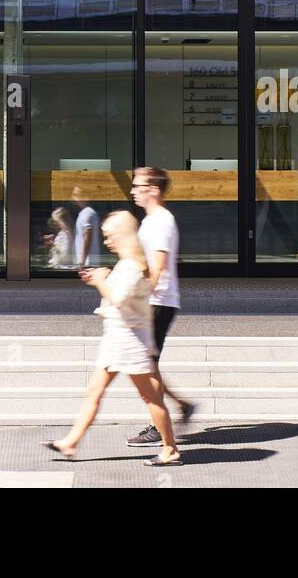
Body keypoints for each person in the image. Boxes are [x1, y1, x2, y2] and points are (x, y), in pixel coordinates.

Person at [44, 211, 181, 466]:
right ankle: (70, 442)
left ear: (123, 235)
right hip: (117, 339)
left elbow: (118, 299)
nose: (107, 242)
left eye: (110, 236)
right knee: (94, 392)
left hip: (130, 342)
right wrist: (104, 277)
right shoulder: (127, 264)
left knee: (150, 398)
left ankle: (170, 449)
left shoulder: (131, 266)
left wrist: (100, 281)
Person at [128, 166, 194, 447]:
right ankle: (179, 406)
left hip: (157, 301)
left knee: (145, 365)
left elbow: (158, 267)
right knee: (146, 364)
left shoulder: (161, 221)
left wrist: (140, 298)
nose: (133, 191)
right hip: (154, 300)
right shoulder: (151, 220)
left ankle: (160, 426)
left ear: (153, 189)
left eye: (137, 186)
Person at [71, 185, 102, 268]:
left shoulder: (87, 213)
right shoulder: (84, 213)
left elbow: (88, 236)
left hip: (88, 263)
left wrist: (82, 260)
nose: (73, 197)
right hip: (87, 262)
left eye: (76, 194)